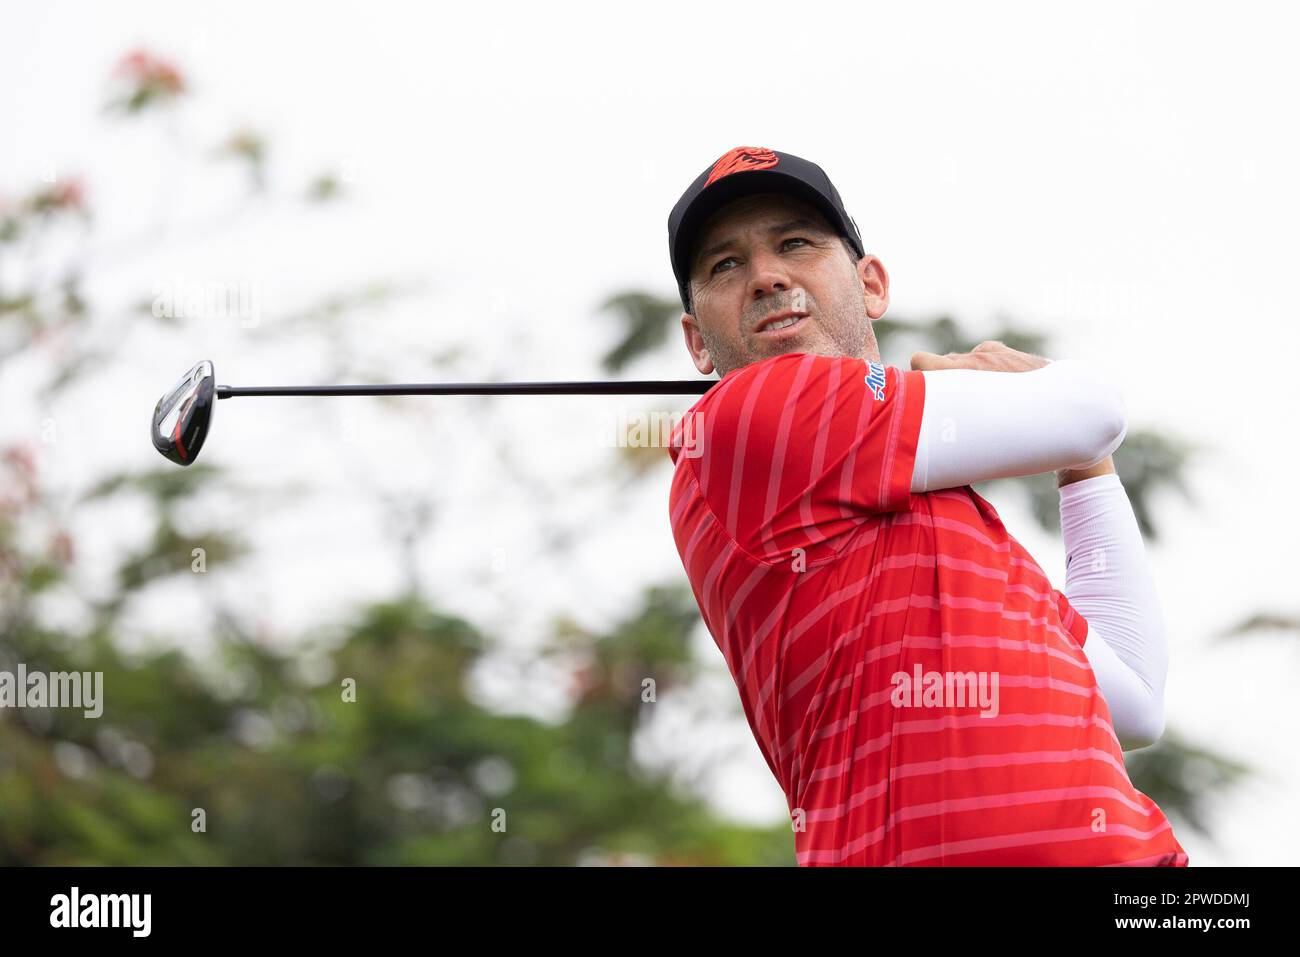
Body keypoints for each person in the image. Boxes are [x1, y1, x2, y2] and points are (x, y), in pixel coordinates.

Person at [663, 146, 1187, 866]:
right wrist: (995, 381)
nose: (767, 276)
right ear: (697, 341)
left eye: (795, 243)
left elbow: (1133, 698)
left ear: (871, 284)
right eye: (726, 265)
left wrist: (1086, 466)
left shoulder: (955, 518)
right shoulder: (748, 415)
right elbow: (1094, 407)